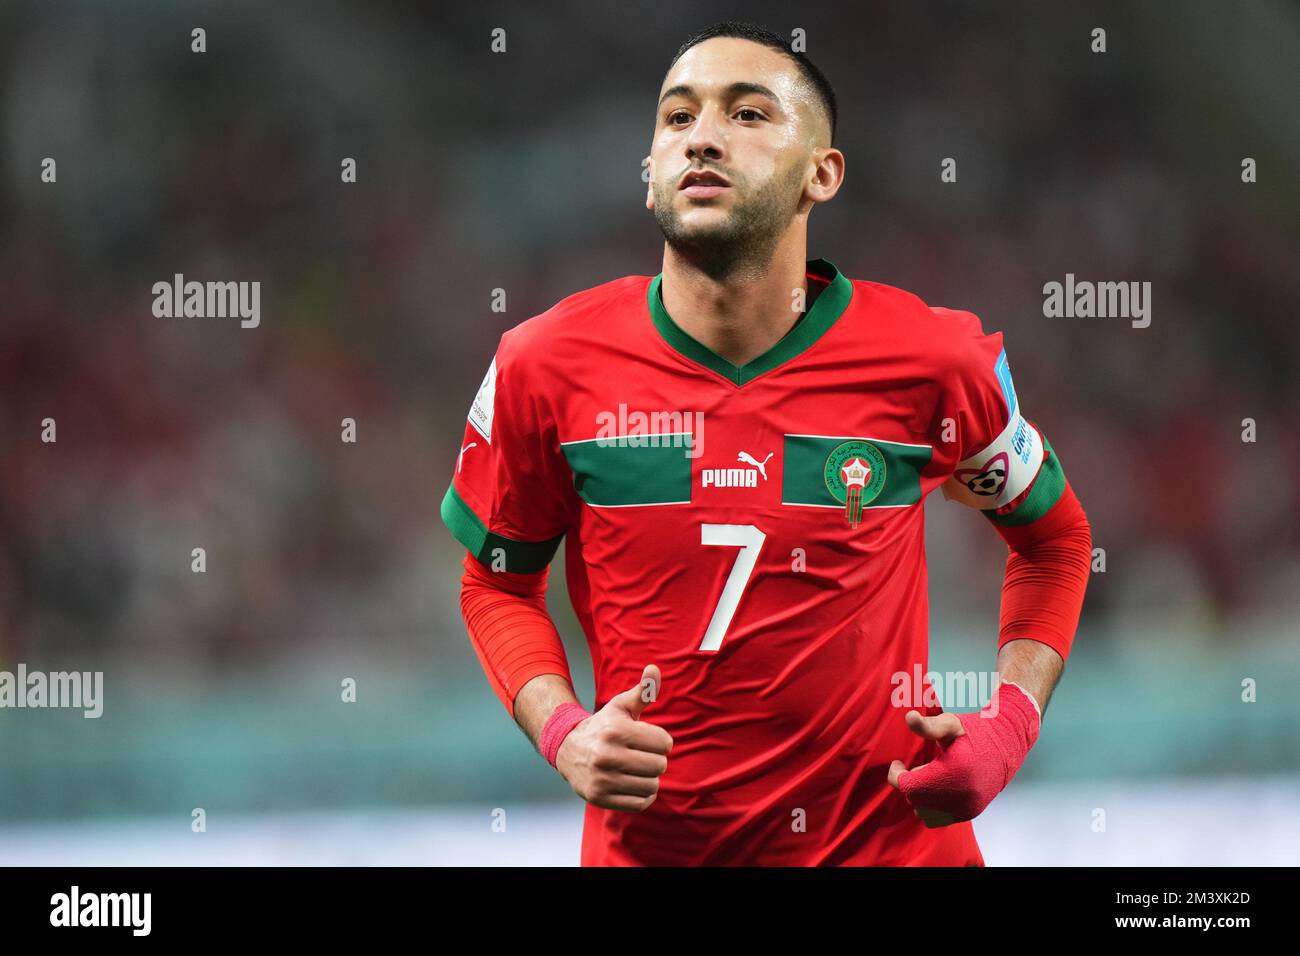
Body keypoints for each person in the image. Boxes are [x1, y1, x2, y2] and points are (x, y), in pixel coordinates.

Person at [441, 20, 1091, 865]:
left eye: (748, 115)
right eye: (677, 119)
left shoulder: (936, 361)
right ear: (650, 177)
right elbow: (495, 587)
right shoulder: (543, 365)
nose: (702, 137)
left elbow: (1056, 542)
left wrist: (1007, 728)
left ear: (821, 174)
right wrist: (563, 731)